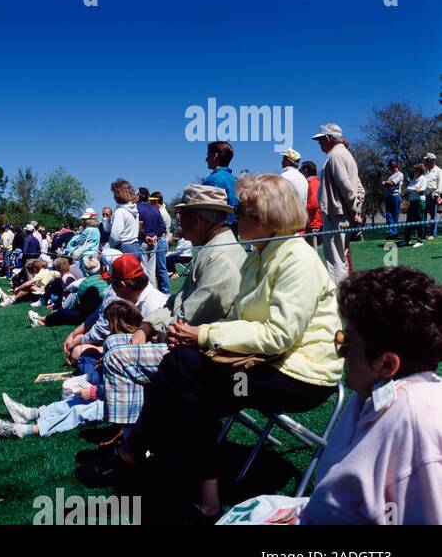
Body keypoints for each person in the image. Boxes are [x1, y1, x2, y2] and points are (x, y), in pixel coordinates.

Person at [77, 173, 343, 524]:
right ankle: (201, 499)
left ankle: (135, 455)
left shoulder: (297, 259)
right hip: (260, 367)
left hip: (299, 379)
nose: (236, 218)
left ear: (265, 217)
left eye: (244, 213)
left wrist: (201, 336)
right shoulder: (259, 255)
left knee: (181, 365)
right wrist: (201, 337)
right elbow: (238, 318)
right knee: (190, 392)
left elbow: (279, 335)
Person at [98, 185, 247, 433]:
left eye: (182, 215)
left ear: (196, 219)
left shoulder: (221, 257)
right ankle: (138, 434)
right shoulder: (211, 249)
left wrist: (157, 330)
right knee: (114, 344)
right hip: (191, 342)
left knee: (118, 357)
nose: (178, 222)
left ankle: (131, 444)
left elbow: (193, 316)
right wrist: (146, 327)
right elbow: (178, 301)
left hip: (206, 354)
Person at [301, 266, 442, 525]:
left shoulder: (414, 421)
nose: (340, 351)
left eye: (347, 341)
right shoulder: (369, 394)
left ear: (387, 364)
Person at [0, 300, 144, 438]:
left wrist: (93, 392)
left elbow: (125, 390)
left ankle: (24, 430)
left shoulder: (125, 348)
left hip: (126, 403)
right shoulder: (129, 342)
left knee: (80, 411)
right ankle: (32, 413)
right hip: (113, 395)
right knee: (74, 400)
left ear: (116, 323)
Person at [313, 123, 364, 285]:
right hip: (342, 214)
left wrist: (354, 211)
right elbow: (359, 189)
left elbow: (347, 189)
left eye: (321, 140)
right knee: (341, 259)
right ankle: (345, 296)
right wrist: (356, 210)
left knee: (335, 262)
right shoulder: (346, 155)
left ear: (328, 138)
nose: (319, 144)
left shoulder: (335, 157)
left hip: (336, 215)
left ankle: (338, 300)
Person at [136, 186, 170, 295]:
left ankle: (148, 295)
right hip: (154, 241)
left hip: (143, 242)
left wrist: (145, 235)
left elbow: (137, 227)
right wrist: (155, 235)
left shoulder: (136, 208)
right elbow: (162, 226)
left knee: (145, 271)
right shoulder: (155, 209)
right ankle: (154, 294)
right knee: (151, 271)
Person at [202, 141, 237, 226]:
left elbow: (206, 213)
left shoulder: (212, 180)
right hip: (234, 230)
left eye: (208, 155)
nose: (206, 159)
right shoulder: (236, 181)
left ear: (215, 156)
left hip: (218, 230)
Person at [106, 179, 141, 264]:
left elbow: (115, 236)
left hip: (124, 248)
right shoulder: (134, 210)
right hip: (136, 247)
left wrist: (109, 247)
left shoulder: (120, 211)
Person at [404, 162, 431, 247]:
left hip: (420, 202)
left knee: (420, 221)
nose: (414, 171)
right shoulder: (413, 180)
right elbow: (407, 189)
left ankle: (420, 241)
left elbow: (421, 191)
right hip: (412, 202)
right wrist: (413, 189)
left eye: (415, 169)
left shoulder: (424, 179)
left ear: (419, 171)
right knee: (408, 222)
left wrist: (414, 190)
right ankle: (407, 240)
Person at [299, 160, 322, 247]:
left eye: (300, 170)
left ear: (306, 170)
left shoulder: (313, 183)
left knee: (312, 251)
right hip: (312, 222)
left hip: (312, 223)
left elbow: (313, 204)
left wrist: (302, 214)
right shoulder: (315, 182)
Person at [380, 160, 404, 240]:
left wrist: (385, 182)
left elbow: (393, 183)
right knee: (388, 215)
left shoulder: (400, 174)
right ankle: (394, 233)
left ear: (394, 166)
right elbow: (387, 184)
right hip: (388, 196)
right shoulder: (390, 176)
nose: (389, 168)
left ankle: (393, 233)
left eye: (390, 166)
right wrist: (386, 183)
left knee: (395, 216)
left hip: (395, 196)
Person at [423, 153, 442, 240]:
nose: (426, 161)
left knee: (433, 215)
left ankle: (433, 234)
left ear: (432, 160)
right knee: (423, 215)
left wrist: (437, 194)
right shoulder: (426, 171)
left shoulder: (439, 171)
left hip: (433, 194)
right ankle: (422, 233)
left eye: (427, 160)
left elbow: (440, 184)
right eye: (426, 160)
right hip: (425, 195)